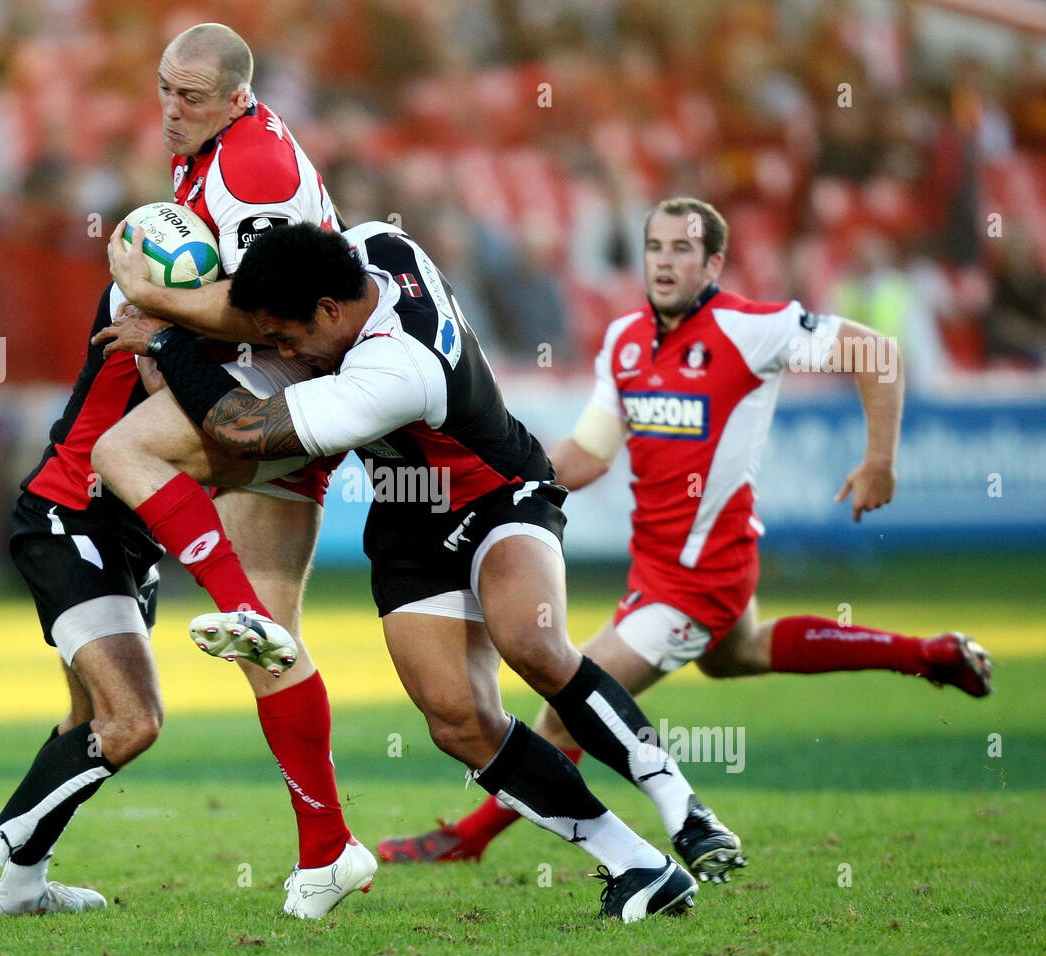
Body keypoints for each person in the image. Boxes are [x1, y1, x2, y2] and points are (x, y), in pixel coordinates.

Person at [91, 220, 756, 922]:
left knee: (532, 644)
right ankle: (638, 865)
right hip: (411, 519)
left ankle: (683, 806)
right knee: (459, 723)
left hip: (497, 491)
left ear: (329, 311)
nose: (280, 351)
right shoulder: (378, 244)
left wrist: (161, 332)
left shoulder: (394, 368)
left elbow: (244, 427)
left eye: (285, 336)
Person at [377, 196, 994, 867]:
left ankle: (477, 837)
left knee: (571, 698)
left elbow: (876, 351)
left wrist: (879, 459)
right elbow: (590, 453)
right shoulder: (625, 342)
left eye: (682, 249)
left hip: (703, 569)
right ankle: (925, 654)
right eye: (655, 247)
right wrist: (509, 479)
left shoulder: (751, 328)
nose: (665, 262)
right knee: (741, 652)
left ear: (714, 263)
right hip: (658, 566)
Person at [0, 24, 371, 923]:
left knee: (108, 713)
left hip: (143, 508)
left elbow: (254, 311)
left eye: (191, 95)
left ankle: (28, 882)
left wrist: (161, 323)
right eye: (163, 88)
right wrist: (169, 329)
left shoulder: (248, 180)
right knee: (128, 720)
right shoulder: (207, 173)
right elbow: (218, 318)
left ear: (238, 98)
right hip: (67, 516)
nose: (169, 108)